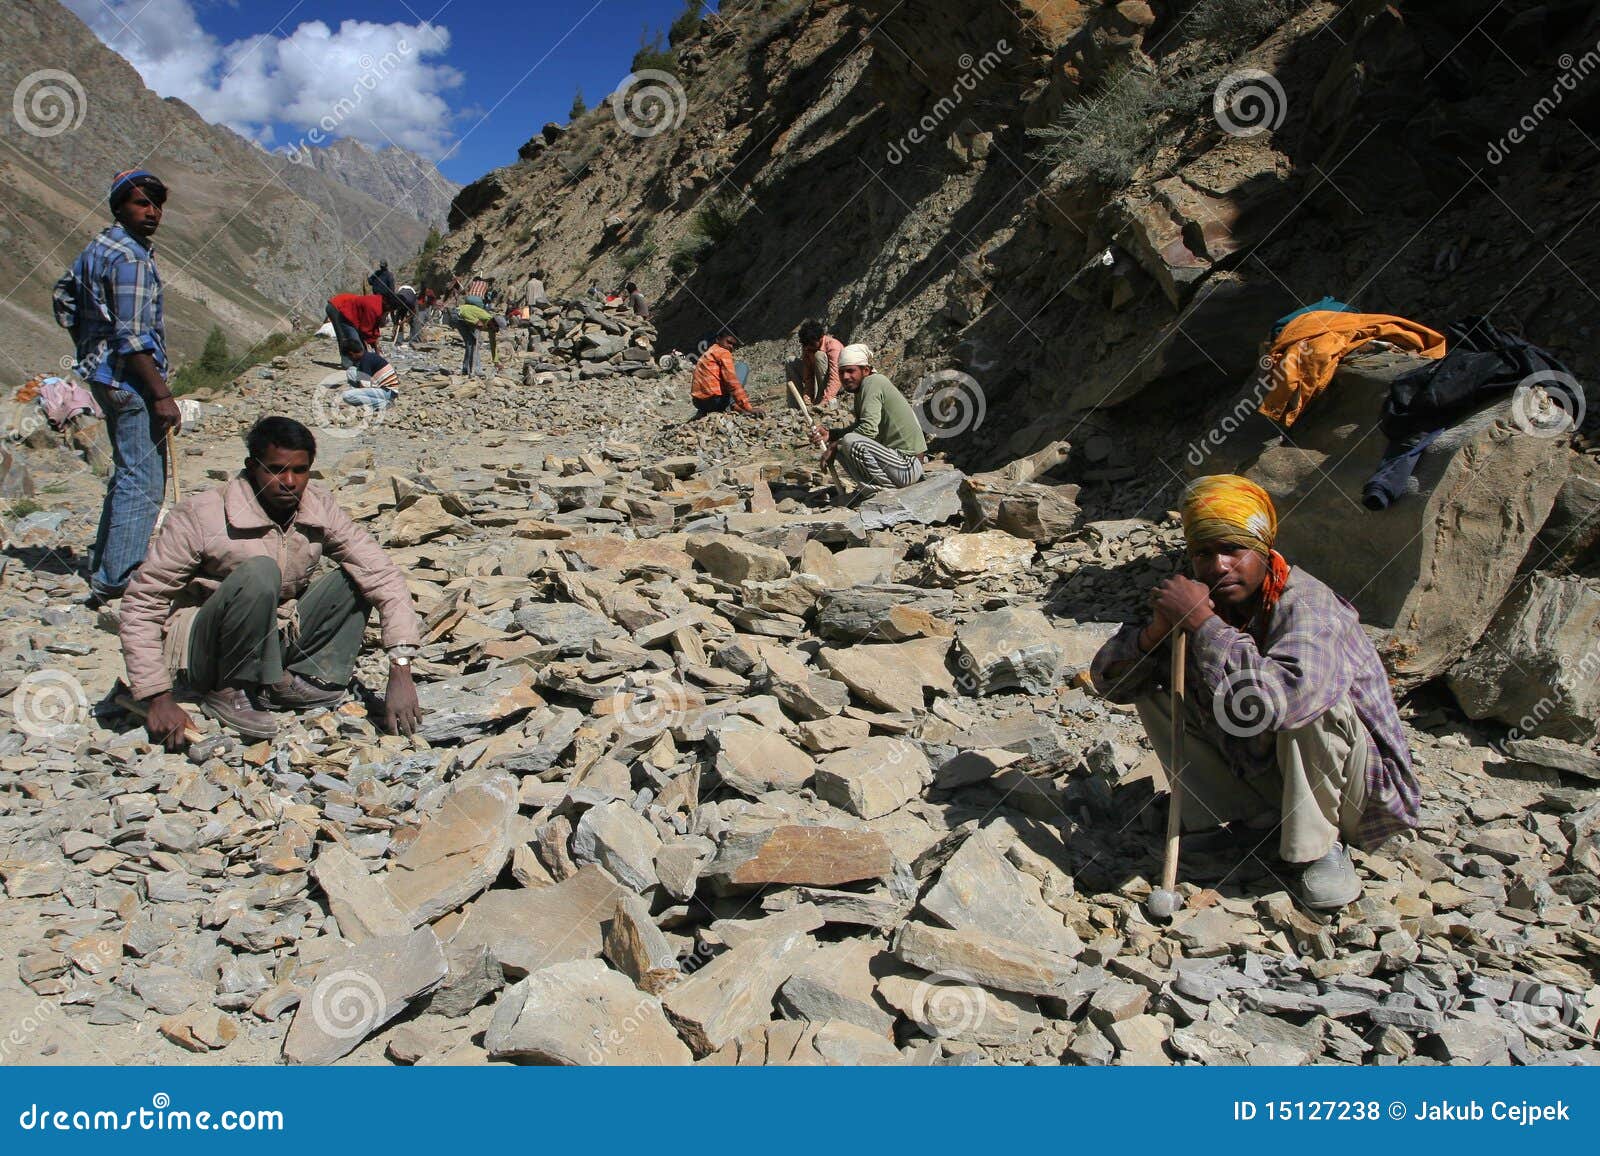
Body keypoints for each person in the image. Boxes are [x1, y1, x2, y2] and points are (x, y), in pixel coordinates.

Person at [1089, 475, 1420, 910]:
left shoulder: (1308, 604)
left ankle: (1317, 849)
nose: (1219, 566)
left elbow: (1284, 701)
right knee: (1157, 682)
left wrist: (1205, 627)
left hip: (1359, 797)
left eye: (1233, 550)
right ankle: (1249, 819)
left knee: (1312, 703)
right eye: (1204, 553)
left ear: (1262, 551)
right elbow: (1110, 682)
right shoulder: (1202, 598)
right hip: (1274, 776)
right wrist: (1157, 632)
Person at [119, 416, 423, 746]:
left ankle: (284, 680)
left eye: (300, 470)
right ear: (252, 467)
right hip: (207, 650)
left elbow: (382, 574)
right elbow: (144, 600)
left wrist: (401, 667)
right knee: (261, 571)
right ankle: (228, 689)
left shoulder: (318, 507)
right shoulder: (202, 515)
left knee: (355, 578)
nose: (289, 481)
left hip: (272, 633)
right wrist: (157, 695)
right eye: (275, 470)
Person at [60, 169, 178, 606]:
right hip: (132, 381)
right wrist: (161, 395)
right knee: (144, 481)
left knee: (127, 471)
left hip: (102, 376)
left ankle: (106, 561)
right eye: (141, 203)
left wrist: (89, 346)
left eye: (156, 204)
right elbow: (133, 337)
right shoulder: (130, 257)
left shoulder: (96, 247)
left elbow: (64, 299)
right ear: (119, 207)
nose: (152, 212)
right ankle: (118, 578)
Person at [810, 345, 927, 495]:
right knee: (841, 446)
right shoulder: (863, 389)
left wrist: (836, 444)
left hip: (908, 465)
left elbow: (869, 430)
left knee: (848, 442)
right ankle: (873, 492)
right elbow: (861, 427)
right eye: (841, 372)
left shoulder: (873, 382)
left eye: (851, 371)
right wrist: (831, 435)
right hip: (898, 465)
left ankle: (886, 493)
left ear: (865, 370)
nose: (845, 377)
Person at [690, 327, 761, 419]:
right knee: (742, 367)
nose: (731, 347)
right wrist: (748, 407)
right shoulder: (723, 352)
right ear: (718, 339)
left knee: (729, 372)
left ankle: (704, 411)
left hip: (698, 403)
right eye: (729, 342)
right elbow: (732, 382)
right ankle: (733, 405)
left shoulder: (708, 353)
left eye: (734, 345)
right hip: (715, 402)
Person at [326, 291, 391, 384]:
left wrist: (373, 345)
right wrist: (373, 345)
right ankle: (347, 363)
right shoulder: (371, 308)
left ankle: (360, 363)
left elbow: (366, 329)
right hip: (335, 307)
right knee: (343, 336)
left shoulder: (370, 308)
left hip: (345, 309)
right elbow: (366, 329)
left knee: (356, 338)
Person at [793, 320, 844, 407]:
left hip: (839, 384)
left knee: (819, 355)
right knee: (790, 361)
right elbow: (808, 375)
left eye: (811, 344)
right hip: (818, 383)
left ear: (820, 338)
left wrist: (826, 399)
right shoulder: (808, 347)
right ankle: (796, 405)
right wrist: (807, 394)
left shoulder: (833, 346)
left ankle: (822, 397)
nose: (808, 347)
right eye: (806, 344)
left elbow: (836, 376)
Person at [451, 301, 507, 377]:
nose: (497, 331)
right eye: (497, 328)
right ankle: (472, 369)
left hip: (468, 321)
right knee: (472, 342)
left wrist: (496, 361)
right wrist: (475, 321)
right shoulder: (484, 316)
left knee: (475, 342)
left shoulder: (491, 328)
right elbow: (464, 313)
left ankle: (467, 368)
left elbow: (493, 344)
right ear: (493, 322)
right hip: (458, 315)